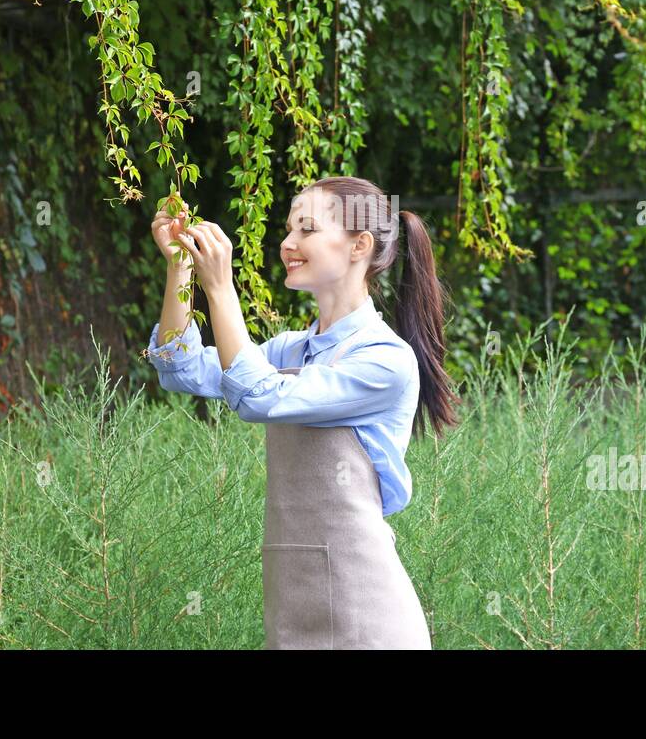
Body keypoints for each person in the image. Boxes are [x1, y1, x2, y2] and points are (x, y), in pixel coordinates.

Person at [144, 176, 460, 649]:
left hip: (367, 618)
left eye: (307, 229)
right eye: (289, 229)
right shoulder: (290, 349)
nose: (288, 244)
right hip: (291, 607)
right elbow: (179, 368)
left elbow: (258, 397)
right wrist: (181, 271)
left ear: (359, 246)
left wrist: (223, 289)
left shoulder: (384, 359)